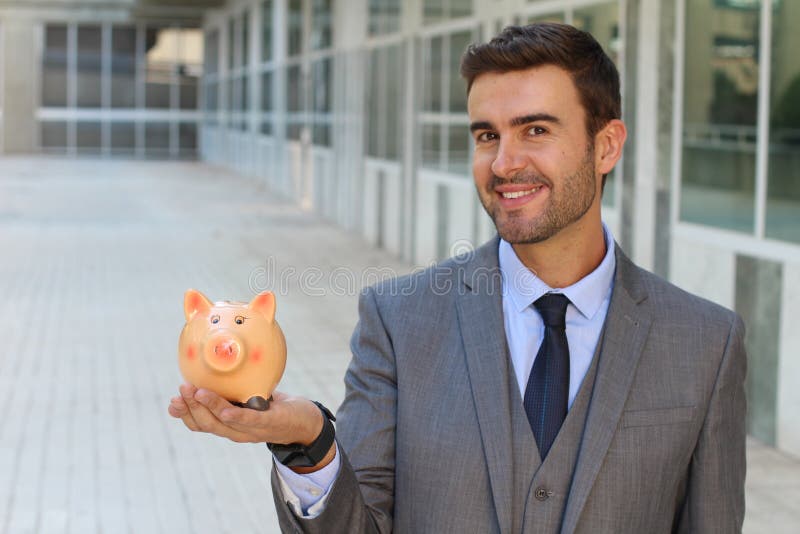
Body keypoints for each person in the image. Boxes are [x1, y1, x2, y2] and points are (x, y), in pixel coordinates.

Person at [169, 23, 747, 533]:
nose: (503, 163)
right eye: (486, 135)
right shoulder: (398, 320)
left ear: (607, 146)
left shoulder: (705, 343)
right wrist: (311, 442)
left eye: (536, 131)